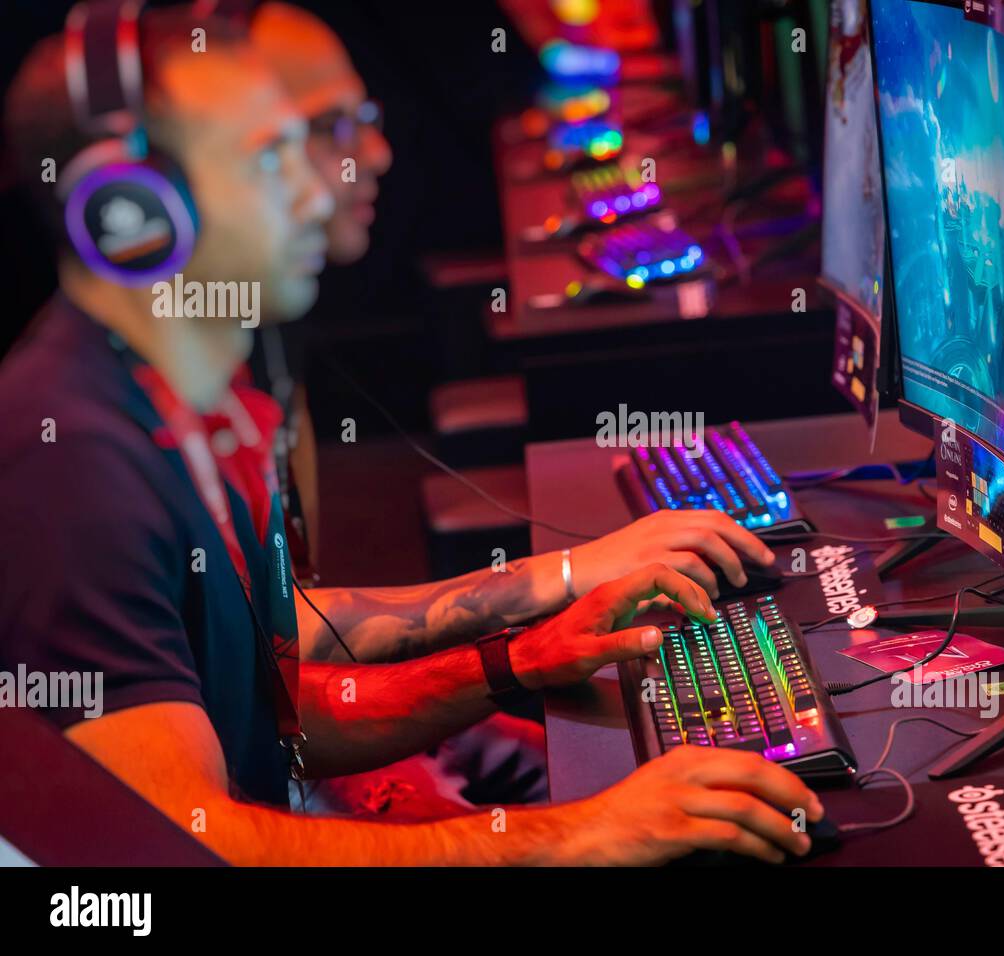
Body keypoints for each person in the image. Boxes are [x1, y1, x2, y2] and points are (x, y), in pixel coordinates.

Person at [0, 5, 822, 865]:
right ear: (130, 214)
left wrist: (526, 639)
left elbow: (267, 704)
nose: (321, 190)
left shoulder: (201, 402)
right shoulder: (73, 470)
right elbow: (178, 849)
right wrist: (576, 834)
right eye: (270, 160)